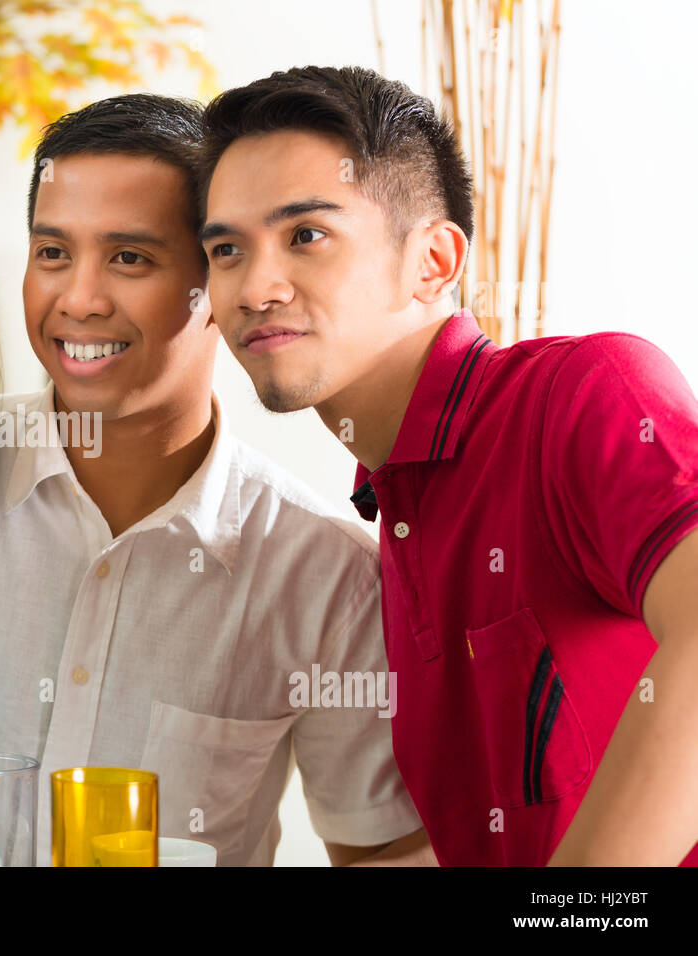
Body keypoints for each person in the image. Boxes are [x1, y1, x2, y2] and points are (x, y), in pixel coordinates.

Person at [0, 94, 430, 866]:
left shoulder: (327, 576)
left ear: (221, 280)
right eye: (52, 253)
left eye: (129, 258)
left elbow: (380, 851)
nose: (78, 299)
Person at [198, 65, 698, 865]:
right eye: (226, 249)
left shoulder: (582, 395)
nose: (255, 286)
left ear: (433, 260)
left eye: (306, 235)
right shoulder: (386, 526)